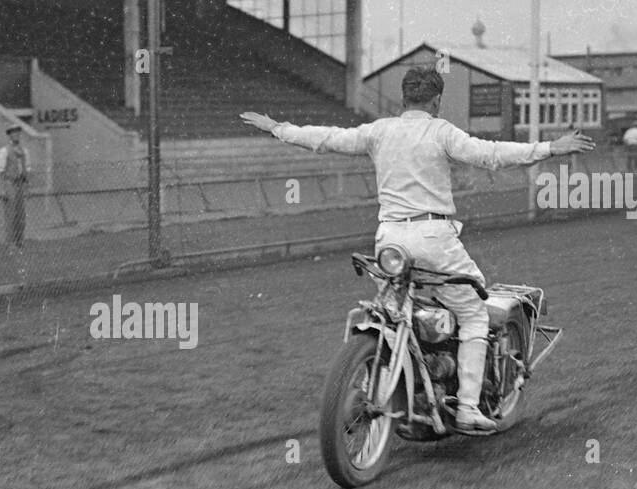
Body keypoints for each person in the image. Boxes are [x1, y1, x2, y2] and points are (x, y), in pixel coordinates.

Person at [241, 66, 594, 435]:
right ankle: (467, 408)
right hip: (432, 238)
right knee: (474, 312)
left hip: (389, 241)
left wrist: (277, 128)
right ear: (436, 100)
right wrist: (549, 148)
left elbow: (327, 138)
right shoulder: (441, 131)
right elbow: (491, 154)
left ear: (404, 97)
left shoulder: (379, 130)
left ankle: (405, 383)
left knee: (395, 313)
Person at [0, 123, 28, 250]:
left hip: (20, 184)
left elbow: (26, 168)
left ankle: (20, 240)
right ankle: (10, 242)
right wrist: (2, 189)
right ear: (9, 135)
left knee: (21, 214)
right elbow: (0, 171)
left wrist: (27, 186)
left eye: (18, 132)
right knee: (10, 214)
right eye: (13, 133)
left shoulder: (23, 151)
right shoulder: (4, 151)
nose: (16, 135)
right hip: (9, 183)